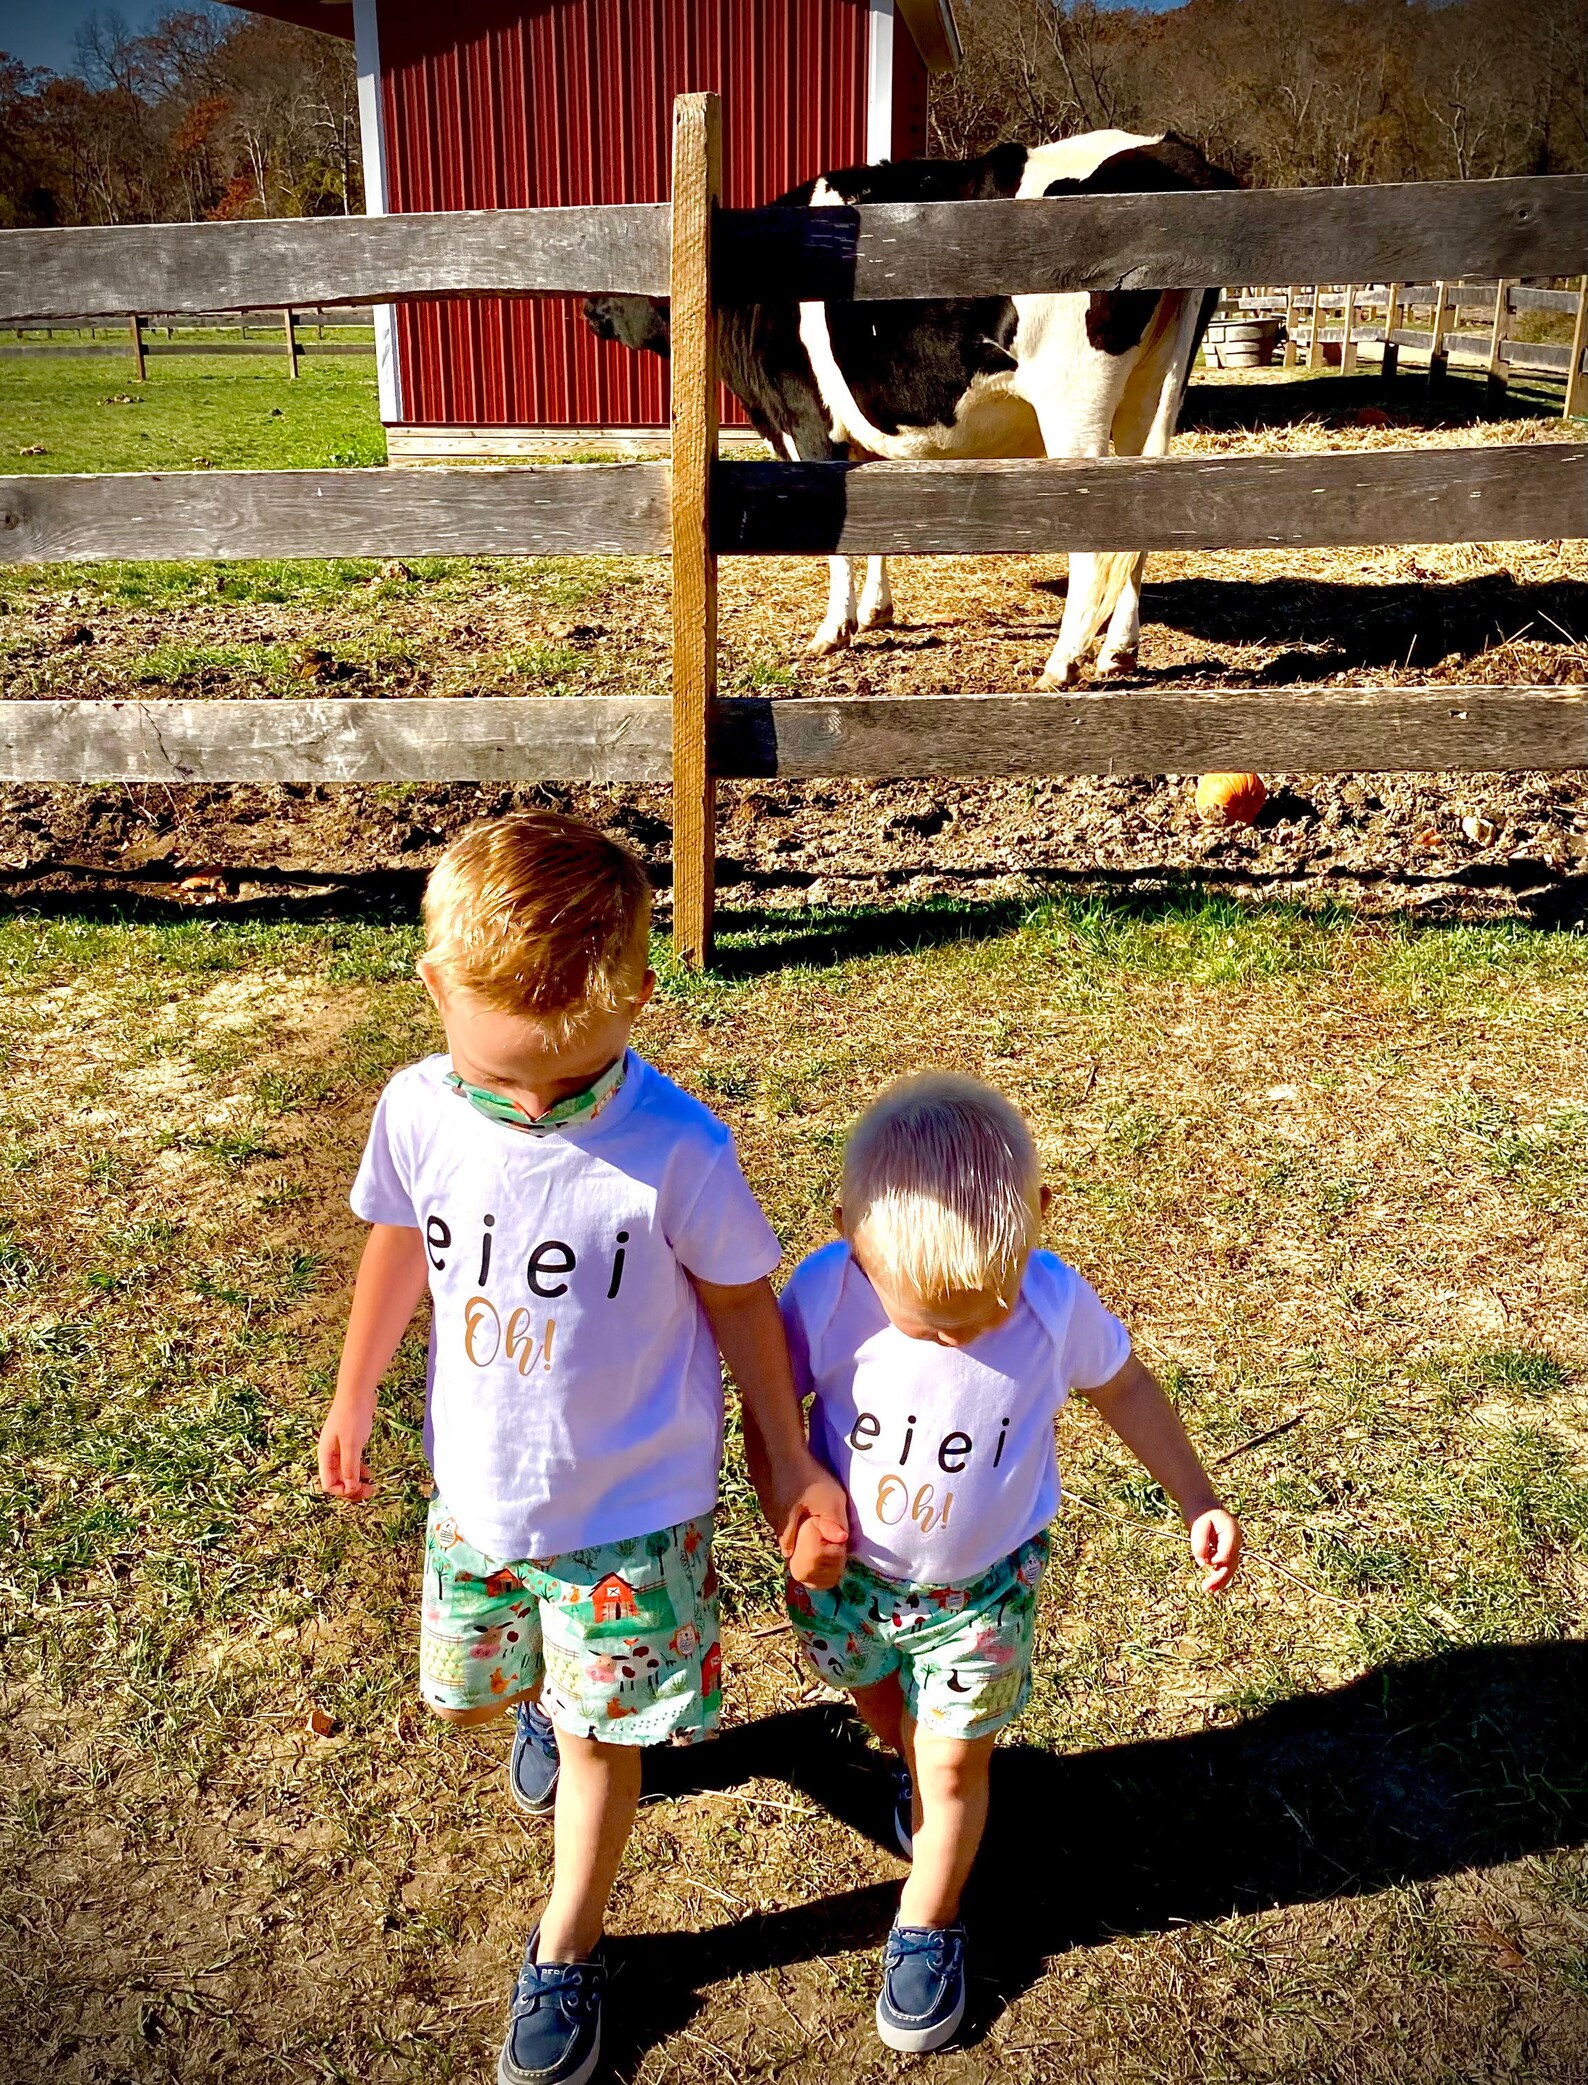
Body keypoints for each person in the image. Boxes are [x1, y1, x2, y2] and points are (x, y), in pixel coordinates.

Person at [317, 812, 846, 2085]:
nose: (540, 1100)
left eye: (572, 1069)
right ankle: (552, 1702)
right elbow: (396, 1240)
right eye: (509, 1072)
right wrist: (354, 1393)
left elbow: (740, 1305)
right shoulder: (418, 1112)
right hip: (482, 1499)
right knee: (496, 1688)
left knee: (612, 1743)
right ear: (438, 988)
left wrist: (786, 1455)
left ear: (636, 1000)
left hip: (631, 1511)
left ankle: (567, 1944)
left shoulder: (678, 1149)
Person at [779, 1073, 1243, 2053]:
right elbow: (772, 1426)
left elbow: (1125, 1390)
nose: (955, 1338)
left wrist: (1197, 1496)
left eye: (975, 1320)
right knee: (876, 1707)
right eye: (926, 1322)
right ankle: (907, 1762)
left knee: (953, 1769)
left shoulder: (1050, 1302)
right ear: (848, 1235)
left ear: (1039, 1216)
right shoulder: (822, 1295)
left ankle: (927, 1920)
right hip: (850, 1587)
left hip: (980, 1594)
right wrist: (795, 1508)